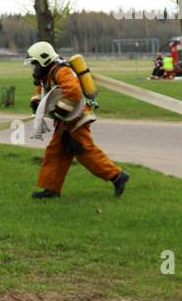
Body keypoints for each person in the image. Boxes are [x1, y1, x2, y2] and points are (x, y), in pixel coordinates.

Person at [26, 41, 129, 199]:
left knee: (84, 151)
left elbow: (73, 91)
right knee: (55, 153)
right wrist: (35, 101)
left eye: (35, 64)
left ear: (44, 60)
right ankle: (51, 189)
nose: (34, 69)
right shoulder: (48, 74)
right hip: (65, 121)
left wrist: (60, 110)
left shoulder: (61, 71)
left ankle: (117, 176)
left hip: (77, 119)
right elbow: (42, 89)